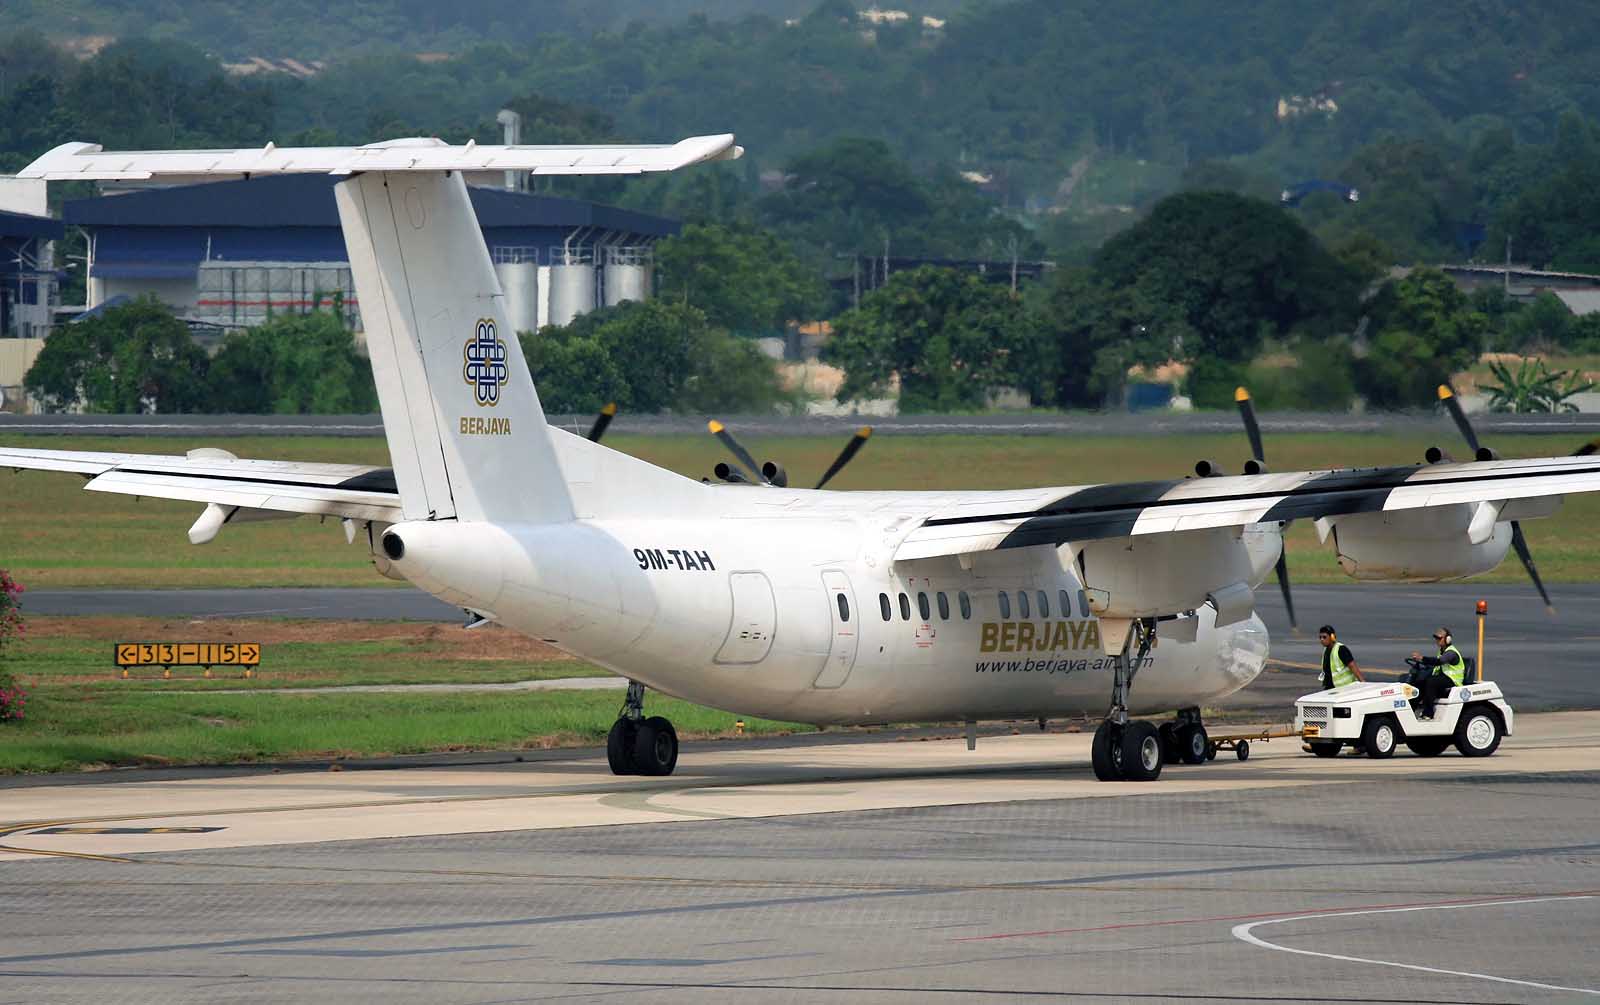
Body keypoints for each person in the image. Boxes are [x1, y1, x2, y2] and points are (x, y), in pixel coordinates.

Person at [1410, 627, 1465, 719]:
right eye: (1436, 638)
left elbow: (1439, 661)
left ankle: (1428, 713)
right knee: (1419, 683)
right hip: (1444, 678)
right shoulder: (1441, 651)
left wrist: (1422, 658)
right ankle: (1410, 710)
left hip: (1453, 681)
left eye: (1439, 638)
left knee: (1431, 682)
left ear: (1448, 639)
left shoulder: (1451, 652)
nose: (1437, 640)